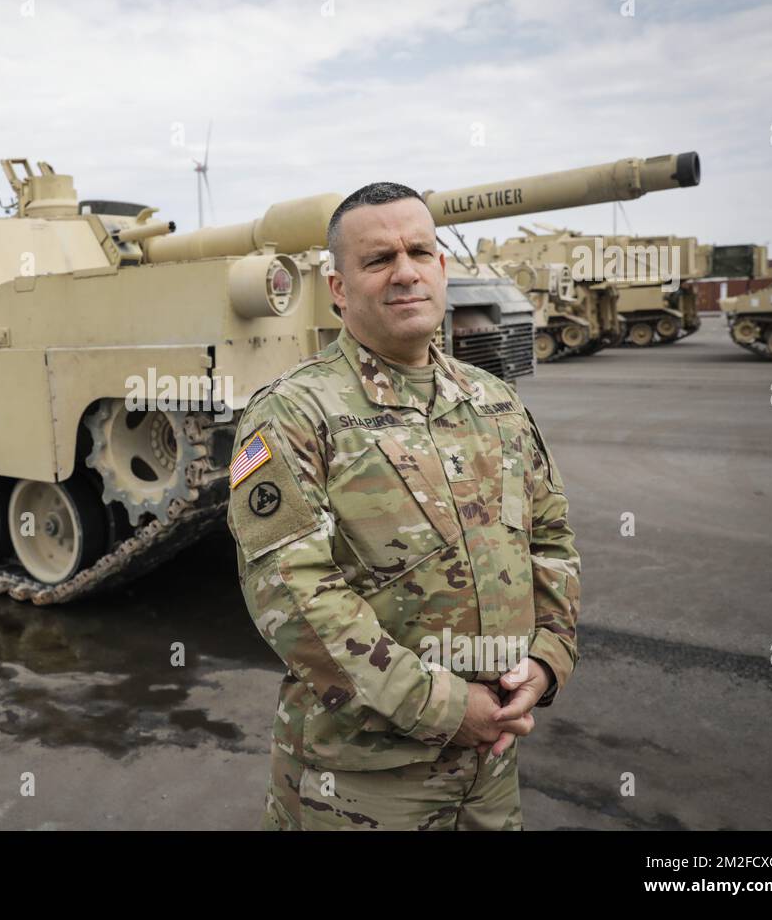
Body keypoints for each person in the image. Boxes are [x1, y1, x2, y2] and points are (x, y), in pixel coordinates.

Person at [226, 182, 580, 830]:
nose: (405, 272)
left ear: (443, 269)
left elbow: (551, 538)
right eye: (378, 260)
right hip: (366, 782)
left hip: (493, 767)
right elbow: (293, 596)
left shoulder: (495, 402)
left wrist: (548, 661)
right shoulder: (293, 413)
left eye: (420, 251)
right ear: (338, 289)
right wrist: (444, 707)